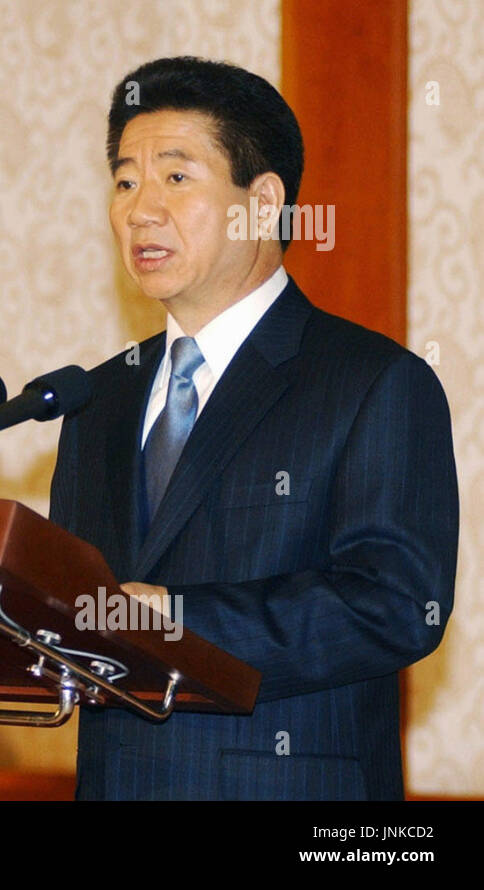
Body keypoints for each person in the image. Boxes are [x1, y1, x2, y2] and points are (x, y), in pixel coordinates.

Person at [49, 56, 457, 800]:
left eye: (176, 177)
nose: (141, 210)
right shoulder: (94, 402)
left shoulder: (371, 383)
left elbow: (398, 606)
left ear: (261, 202)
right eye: (125, 180)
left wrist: (178, 619)